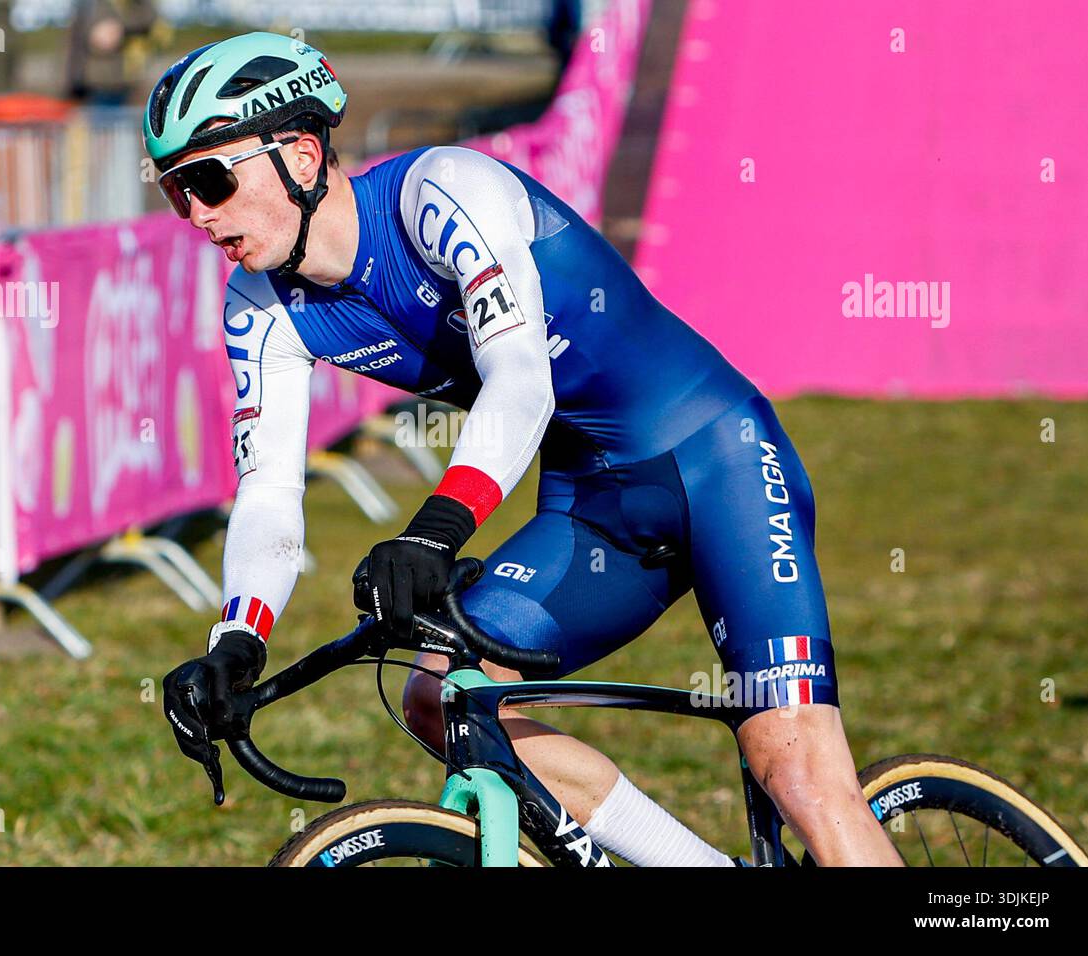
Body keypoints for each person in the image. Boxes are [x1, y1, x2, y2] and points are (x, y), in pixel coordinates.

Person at [156, 33, 903, 866]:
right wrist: (237, 641)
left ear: (299, 153)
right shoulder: (260, 303)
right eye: (174, 190)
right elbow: (267, 493)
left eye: (209, 179)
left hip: (715, 459)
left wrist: (435, 530)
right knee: (444, 699)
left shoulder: (441, 192)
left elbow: (522, 380)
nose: (195, 213)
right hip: (594, 506)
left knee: (794, 767)